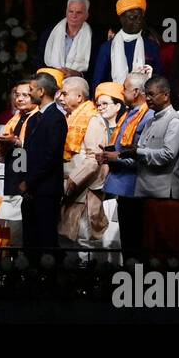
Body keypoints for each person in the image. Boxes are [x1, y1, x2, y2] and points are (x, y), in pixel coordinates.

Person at [61, 76, 110, 255]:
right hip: (68, 188)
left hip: (83, 189)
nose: (61, 97)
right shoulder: (69, 118)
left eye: (65, 94)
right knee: (67, 242)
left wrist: (73, 180)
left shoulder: (92, 119)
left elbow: (94, 158)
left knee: (83, 242)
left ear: (79, 97)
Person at [18, 72, 67, 249]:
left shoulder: (57, 118)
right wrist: (22, 179)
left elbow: (51, 157)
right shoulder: (34, 119)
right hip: (30, 189)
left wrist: (29, 182)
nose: (28, 93)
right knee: (29, 241)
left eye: (31, 90)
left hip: (46, 190)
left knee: (46, 241)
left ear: (42, 91)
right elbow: (26, 151)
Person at [128, 76, 179, 201]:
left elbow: (168, 155)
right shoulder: (150, 122)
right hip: (144, 191)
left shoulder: (174, 121)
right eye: (146, 94)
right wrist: (116, 156)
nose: (148, 98)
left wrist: (138, 151)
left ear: (166, 95)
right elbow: (140, 153)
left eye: (151, 94)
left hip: (163, 193)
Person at [99, 72, 153, 200]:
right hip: (118, 182)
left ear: (135, 92)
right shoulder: (128, 113)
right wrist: (107, 155)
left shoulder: (148, 116)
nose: (122, 92)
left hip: (133, 185)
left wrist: (116, 158)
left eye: (124, 88)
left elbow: (142, 156)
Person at [93, 0, 162, 88]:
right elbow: (98, 81)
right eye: (132, 17)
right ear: (122, 19)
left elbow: (159, 79)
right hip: (114, 98)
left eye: (140, 17)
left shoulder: (151, 46)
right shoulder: (108, 47)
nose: (138, 21)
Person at [40, 0, 95, 79]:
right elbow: (39, 62)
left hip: (78, 81)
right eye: (71, 11)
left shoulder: (94, 38)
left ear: (86, 15)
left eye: (79, 12)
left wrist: (78, 74)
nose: (74, 16)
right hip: (49, 79)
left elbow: (94, 69)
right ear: (66, 12)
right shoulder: (49, 33)